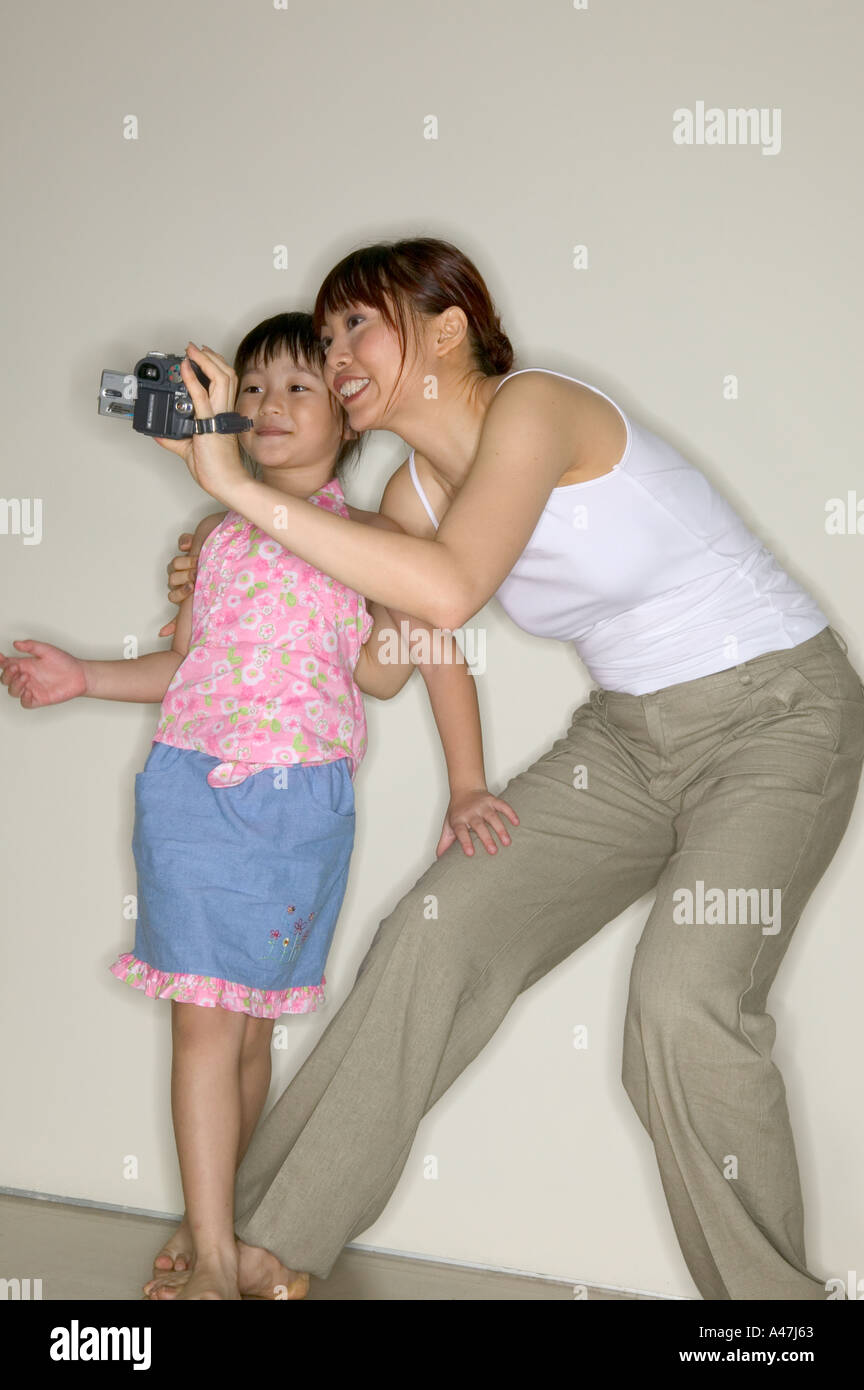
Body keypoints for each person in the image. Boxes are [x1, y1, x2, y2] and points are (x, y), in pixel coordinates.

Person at [144, 236, 864, 1301]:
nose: (336, 349)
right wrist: (218, 573)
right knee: (433, 935)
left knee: (682, 1002)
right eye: (326, 328)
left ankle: (775, 1320)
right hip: (627, 741)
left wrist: (242, 494)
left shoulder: (536, 408)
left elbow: (449, 588)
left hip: (777, 717)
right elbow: (388, 664)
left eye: (360, 322)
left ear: (446, 328)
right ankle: (266, 1239)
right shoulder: (408, 498)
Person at [0, 308, 518, 1302]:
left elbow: (421, 653)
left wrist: (465, 782)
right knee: (202, 1022)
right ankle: (211, 1253)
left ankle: (221, 1229)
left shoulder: (370, 540)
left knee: (243, 1030)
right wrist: (84, 677)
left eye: (299, 387)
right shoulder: (215, 537)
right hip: (193, 789)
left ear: (347, 416)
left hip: (301, 814)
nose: (270, 405)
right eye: (252, 389)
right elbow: (188, 665)